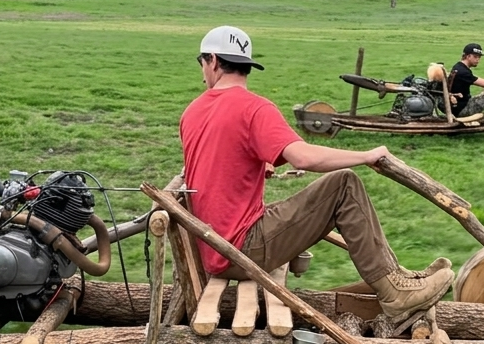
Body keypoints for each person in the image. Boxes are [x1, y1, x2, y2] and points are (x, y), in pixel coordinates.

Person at [179, 26, 453, 322]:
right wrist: (366, 156)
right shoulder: (254, 108)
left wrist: (260, 160)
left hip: (215, 244)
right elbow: (303, 157)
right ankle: (395, 294)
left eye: (201, 63)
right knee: (343, 185)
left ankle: (397, 275)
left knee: (338, 187)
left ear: (214, 61)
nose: (202, 71)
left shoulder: (192, 111)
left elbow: (218, 156)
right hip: (238, 249)